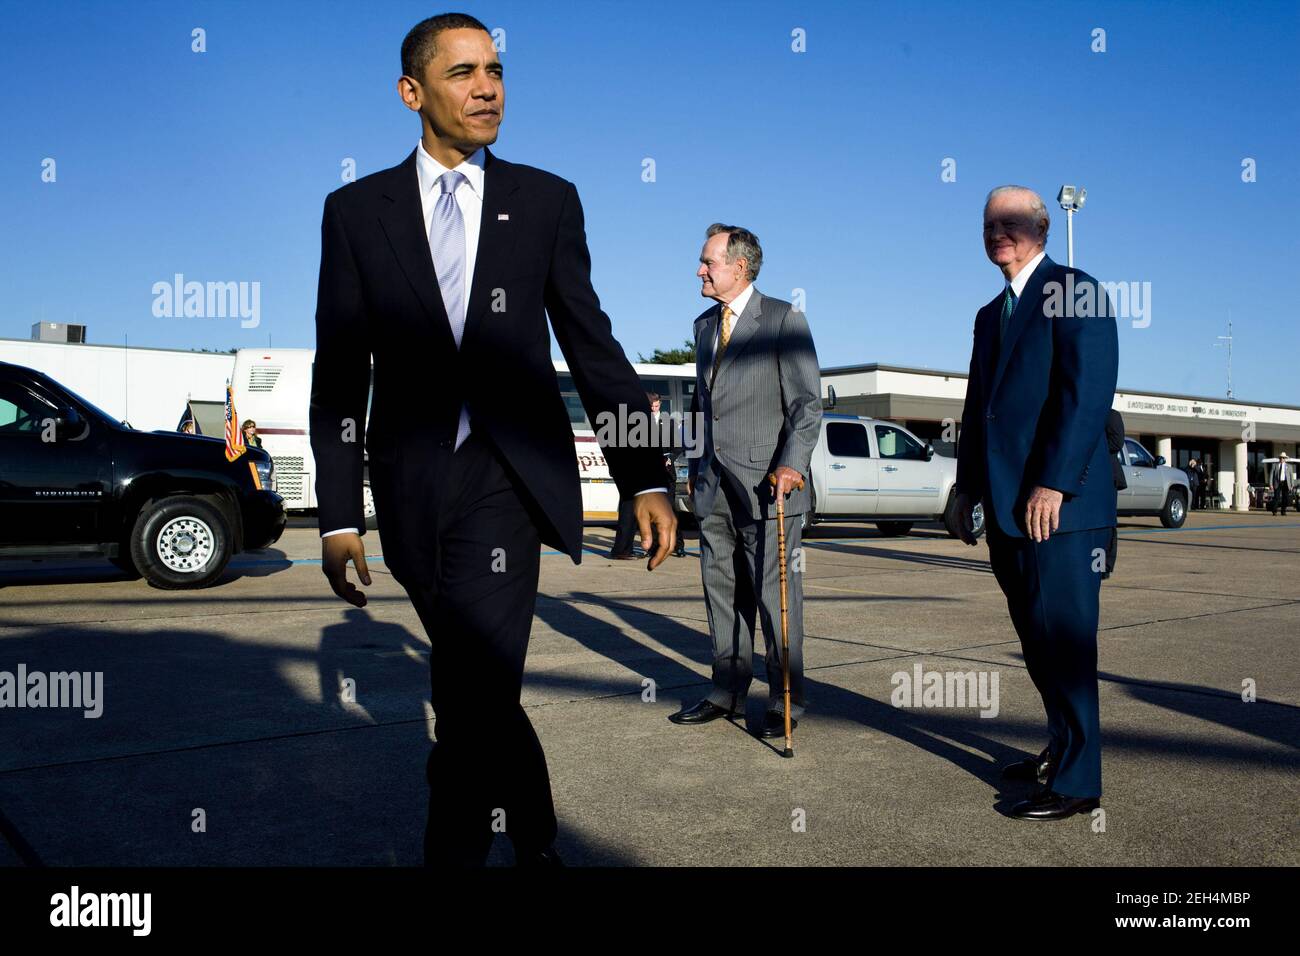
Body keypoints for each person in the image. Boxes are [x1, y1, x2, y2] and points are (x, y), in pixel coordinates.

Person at [309, 12, 676, 867]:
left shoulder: (544, 200)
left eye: (497, 71)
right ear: (413, 92)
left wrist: (644, 474)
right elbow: (339, 374)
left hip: (507, 481)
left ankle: (457, 851)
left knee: (473, 685)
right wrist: (336, 516)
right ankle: (537, 835)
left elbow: (593, 343)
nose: (487, 88)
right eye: (464, 72)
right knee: (475, 682)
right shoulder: (355, 212)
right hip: (409, 488)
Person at [954, 185, 1118, 821]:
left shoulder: (1074, 289)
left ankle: (1080, 783)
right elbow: (980, 411)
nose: (999, 230)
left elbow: (1086, 396)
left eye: (1013, 221)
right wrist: (965, 486)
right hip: (1005, 509)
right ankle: (1061, 747)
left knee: (1068, 645)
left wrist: (1054, 482)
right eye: (990, 222)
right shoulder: (989, 313)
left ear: (1043, 227)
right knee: (1037, 642)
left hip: (1062, 512)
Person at [669, 224, 821, 740]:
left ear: (740, 266)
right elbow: (701, 405)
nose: (700, 270)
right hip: (713, 483)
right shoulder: (705, 325)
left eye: (708, 261)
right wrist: (693, 466)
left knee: (773, 597)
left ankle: (785, 699)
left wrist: (792, 463)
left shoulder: (783, 318)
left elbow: (806, 404)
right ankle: (727, 690)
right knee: (721, 592)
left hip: (768, 485)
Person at [1102, 409, 1126, 579]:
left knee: (1108, 521)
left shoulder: (1111, 415)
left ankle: (1105, 564)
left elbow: (1117, 442)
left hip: (1108, 476)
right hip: (1094, 476)